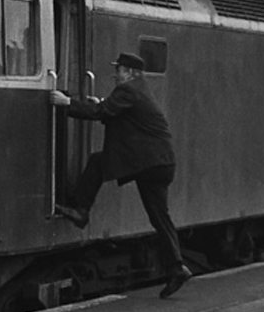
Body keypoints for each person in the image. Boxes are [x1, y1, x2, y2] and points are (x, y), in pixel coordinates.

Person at [51, 52, 193, 298]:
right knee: (160, 218)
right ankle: (177, 267)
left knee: (97, 162)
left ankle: (81, 210)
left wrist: (66, 104)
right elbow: (111, 111)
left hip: (148, 162)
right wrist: (99, 104)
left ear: (130, 72)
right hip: (160, 163)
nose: (115, 73)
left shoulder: (128, 90)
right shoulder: (138, 89)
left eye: (119, 69)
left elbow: (101, 112)